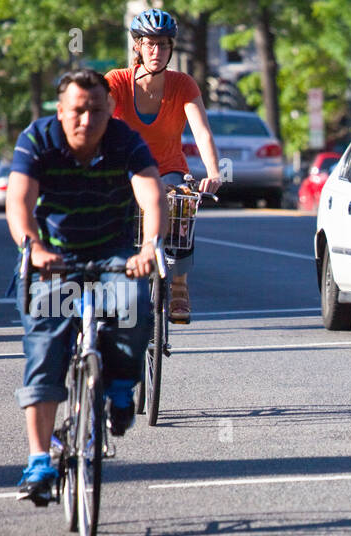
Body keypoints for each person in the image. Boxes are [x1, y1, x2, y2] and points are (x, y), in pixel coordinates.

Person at [6, 69, 166, 505]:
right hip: (56, 257)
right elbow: (19, 201)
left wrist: (149, 247)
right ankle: (39, 460)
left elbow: (151, 195)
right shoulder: (37, 139)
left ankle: (119, 388)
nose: (87, 119)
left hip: (115, 254)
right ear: (61, 111)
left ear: (109, 110)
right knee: (46, 342)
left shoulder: (123, 139)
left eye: (97, 109)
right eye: (78, 110)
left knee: (134, 305)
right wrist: (33, 247)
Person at [106, 8, 222, 324]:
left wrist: (213, 172)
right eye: (150, 44)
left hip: (168, 169)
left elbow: (201, 131)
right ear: (138, 47)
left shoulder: (183, 84)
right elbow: (99, 121)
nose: (157, 51)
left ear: (172, 48)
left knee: (183, 203)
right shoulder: (116, 81)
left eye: (164, 45)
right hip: (124, 170)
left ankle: (180, 288)